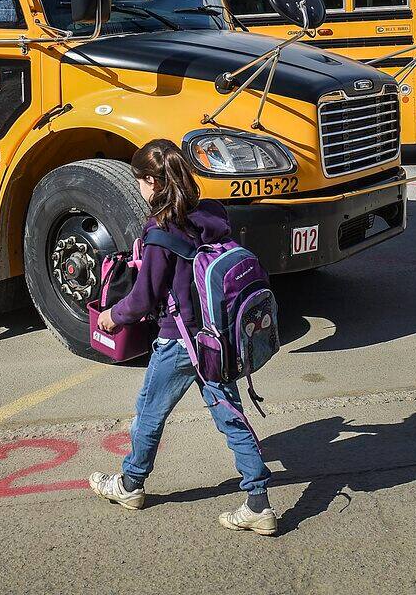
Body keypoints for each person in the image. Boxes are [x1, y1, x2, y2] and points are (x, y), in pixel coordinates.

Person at [87, 139, 277, 535]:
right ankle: (258, 500)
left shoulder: (161, 231)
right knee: (230, 416)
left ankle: (130, 484)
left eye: (139, 181)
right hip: (217, 335)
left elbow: (143, 299)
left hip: (180, 341)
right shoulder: (213, 213)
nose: (139, 188)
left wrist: (111, 316)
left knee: (149, 415)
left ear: (153, 182)